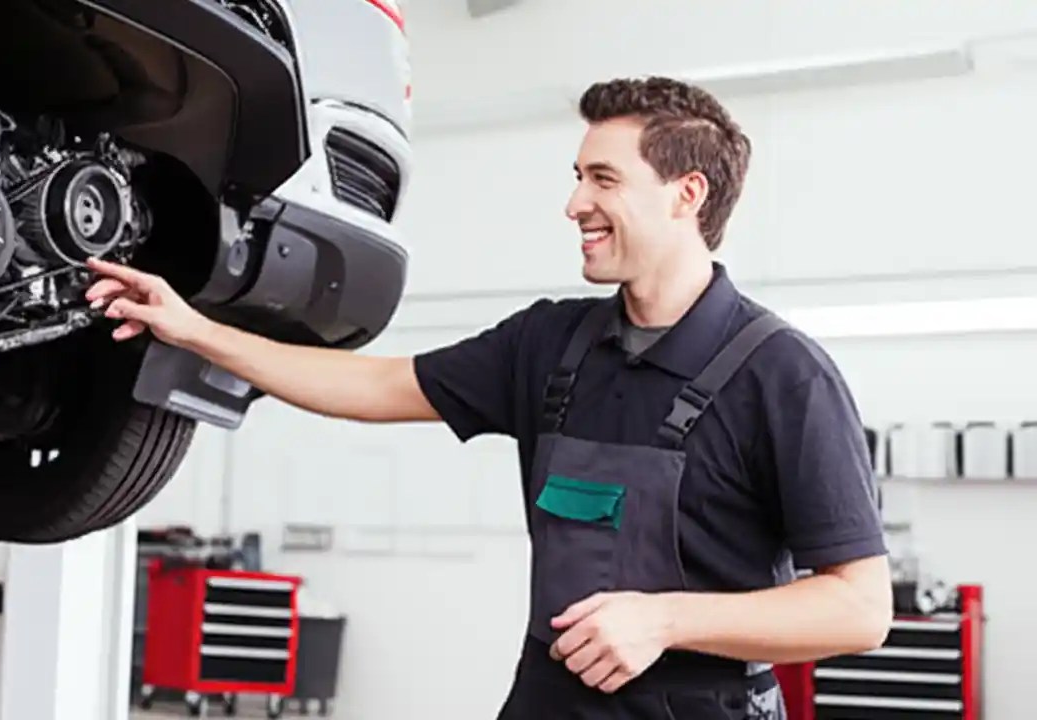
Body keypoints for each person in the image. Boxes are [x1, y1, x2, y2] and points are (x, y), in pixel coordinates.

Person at [85, 76, 893, 719]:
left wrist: (667, 618)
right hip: (548, 701)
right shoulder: (550, 343)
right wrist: (195, 330)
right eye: (577, 178)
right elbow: (377, 384)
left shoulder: (782, 375)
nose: (574, 203)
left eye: (603, 179)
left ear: (686, 195)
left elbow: (859, 609)